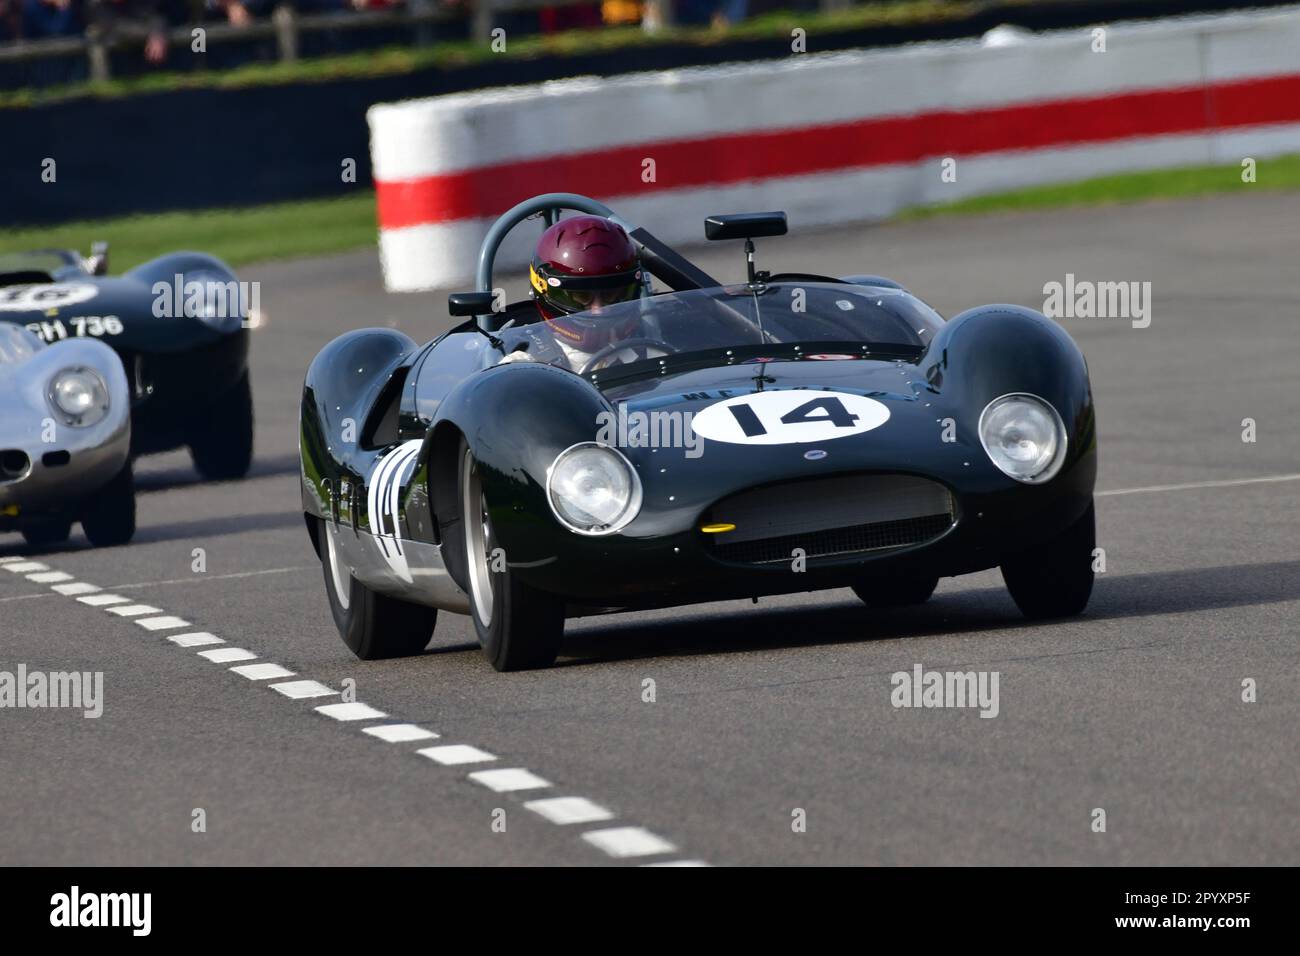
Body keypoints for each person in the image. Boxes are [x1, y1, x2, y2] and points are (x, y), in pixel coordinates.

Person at [499, 215, 649, 371]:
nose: (598, 311)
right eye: (582, 296)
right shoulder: (524, 366)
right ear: (542, 287)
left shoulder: (657, 334)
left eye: (610, 295)